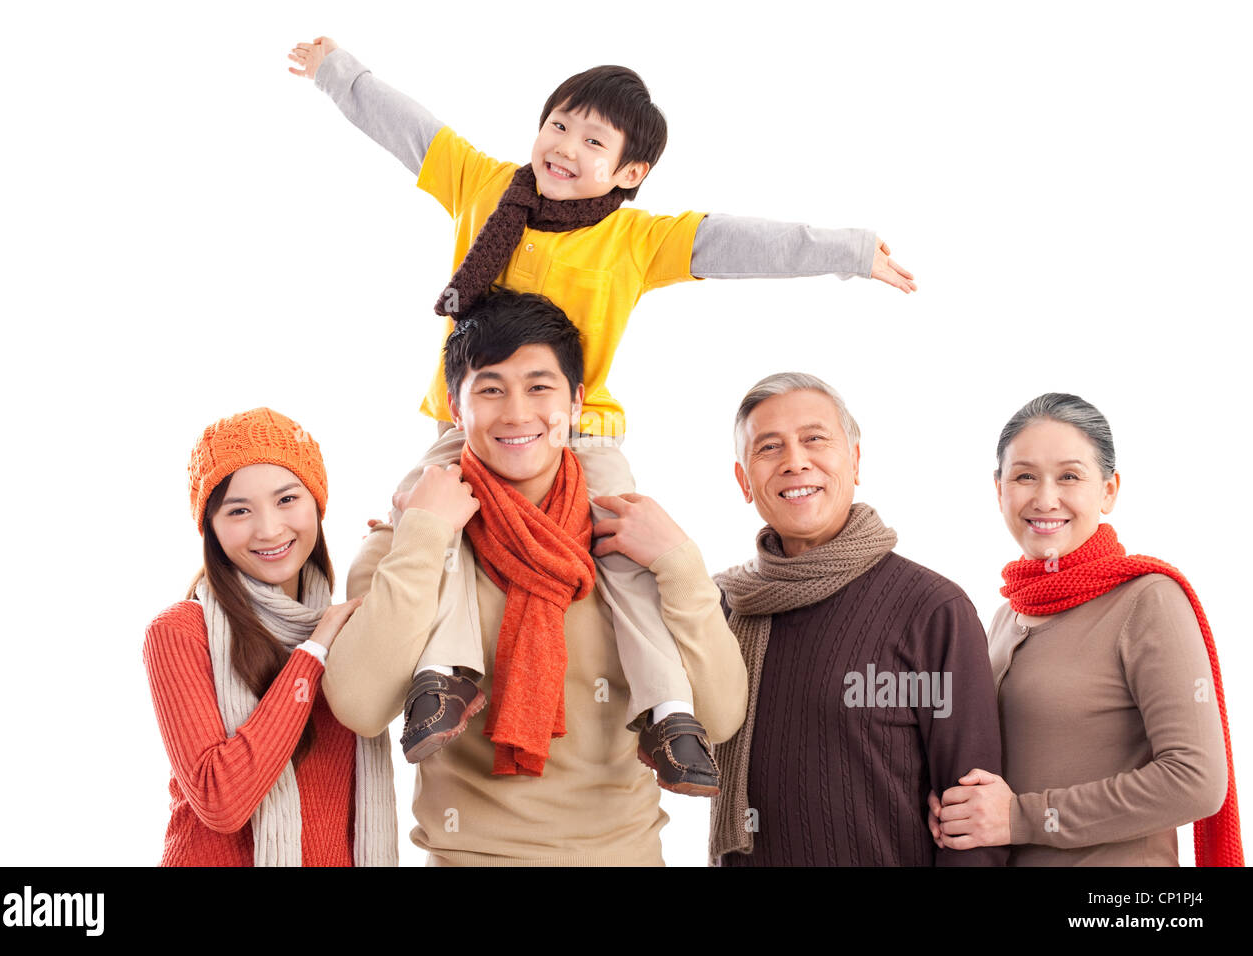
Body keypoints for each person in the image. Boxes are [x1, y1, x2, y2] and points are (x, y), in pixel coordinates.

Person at [287, 36, 914, 790]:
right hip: (466, 425)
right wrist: (334, 70)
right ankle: (446, 674)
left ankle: (668, 711)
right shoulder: (484, 186)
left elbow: (742, 243)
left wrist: (850, 250)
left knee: (623, 549)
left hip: (584, 433)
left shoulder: (636, 240)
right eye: (558, 124)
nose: (565, 147)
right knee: (422, 520)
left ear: (629, 172)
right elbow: (407, 127)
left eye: (593, 141)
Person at [323, 291, 748, 865]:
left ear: (575, 403)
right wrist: (422, 536)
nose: (518, 413)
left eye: (539, 387)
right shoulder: (407, 538)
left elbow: (719, 719)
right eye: (490, 388)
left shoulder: (632, 540)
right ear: (456, 406)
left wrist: (681, 565)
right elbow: (359, 704)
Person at [927, 393, 1242, 866]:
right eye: (1024, 476)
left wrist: (1020, 818)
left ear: (1109, 491)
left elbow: (1196, 781)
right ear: (999, 491)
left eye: (1069, 476)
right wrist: (957, 809)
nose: (1044, 497)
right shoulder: (1006, 616)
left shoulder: (1147, 600)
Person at [711, 372, 1006, 866]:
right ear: (744, 480)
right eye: (769, 448)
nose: (795, 461)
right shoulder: (723, 606)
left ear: (855, 460)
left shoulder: (932, 609)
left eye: (814, 439)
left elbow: (975, 820)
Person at [143, 408, 396, 866]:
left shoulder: (346, 629)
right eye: (239, 510)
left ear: (316, 504)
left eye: (286, 500)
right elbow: (221, 800)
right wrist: (312, 653)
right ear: (212, 529)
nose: (270, 529)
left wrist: (401, 556)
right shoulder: (180, 631)